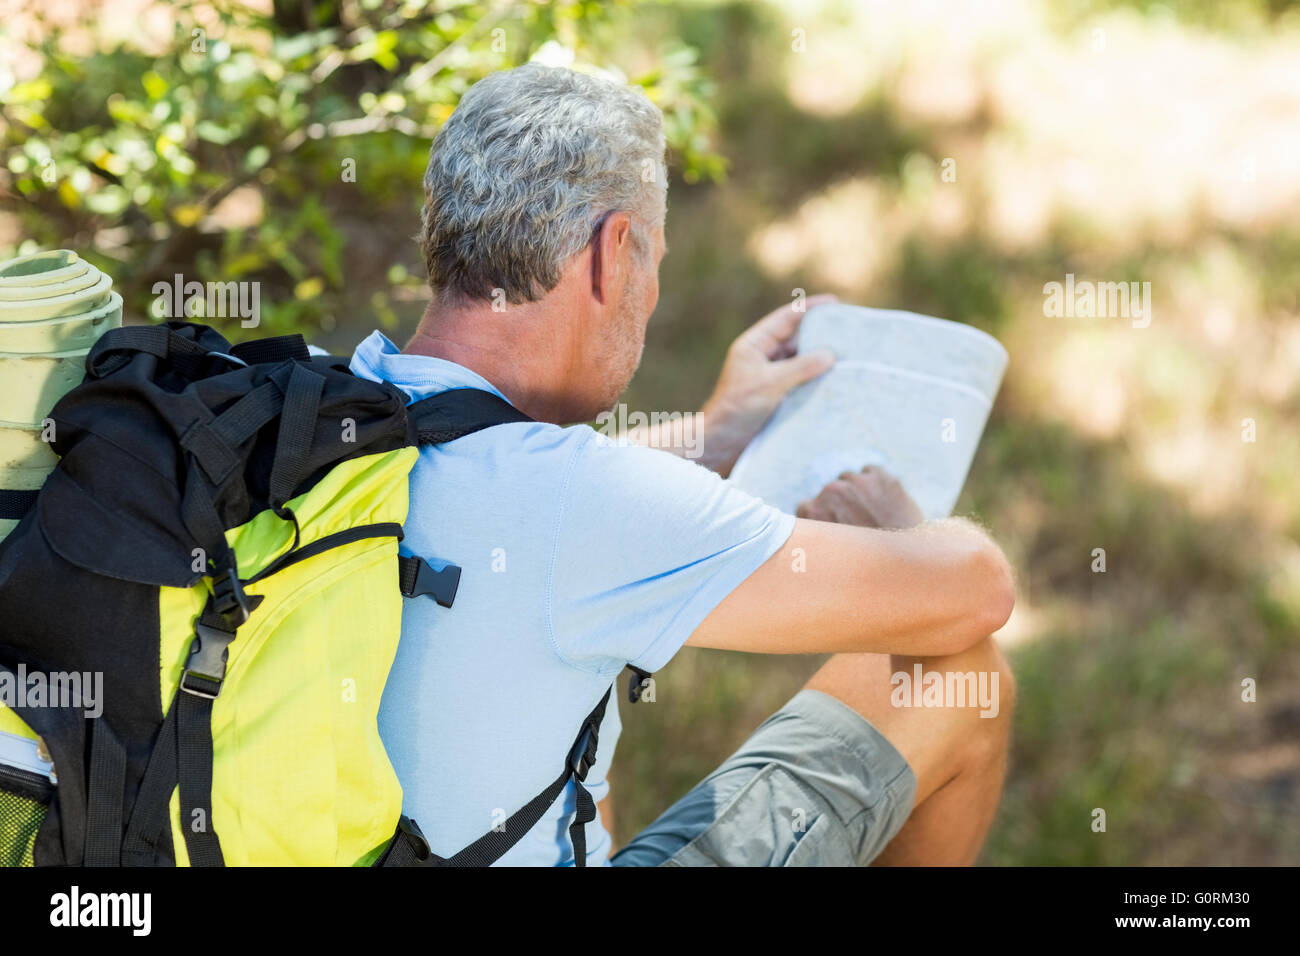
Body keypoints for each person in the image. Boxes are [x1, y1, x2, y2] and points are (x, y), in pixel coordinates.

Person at [349, 62, 1016, 866]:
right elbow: (976, 593)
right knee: (952, 679)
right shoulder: (590, 505)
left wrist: (713, 434)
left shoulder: (323, 410)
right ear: (611, 251)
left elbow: (508, 485)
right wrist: (905, 530)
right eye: (653, 260)